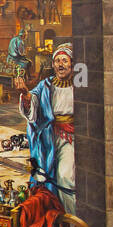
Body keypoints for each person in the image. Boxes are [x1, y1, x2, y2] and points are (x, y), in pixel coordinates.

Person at [20, 42, 76, 214]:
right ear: (53, 65)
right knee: (47, 176)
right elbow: (33, 102)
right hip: (49, 138)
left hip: (70, 138)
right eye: (57, 61)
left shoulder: (80, 86)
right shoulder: (45, 85)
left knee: (66, 177)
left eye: (64, 60)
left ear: (72, 64)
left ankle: (72, 220)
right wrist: (27, 96)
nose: (60, 64)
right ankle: (55, 218)